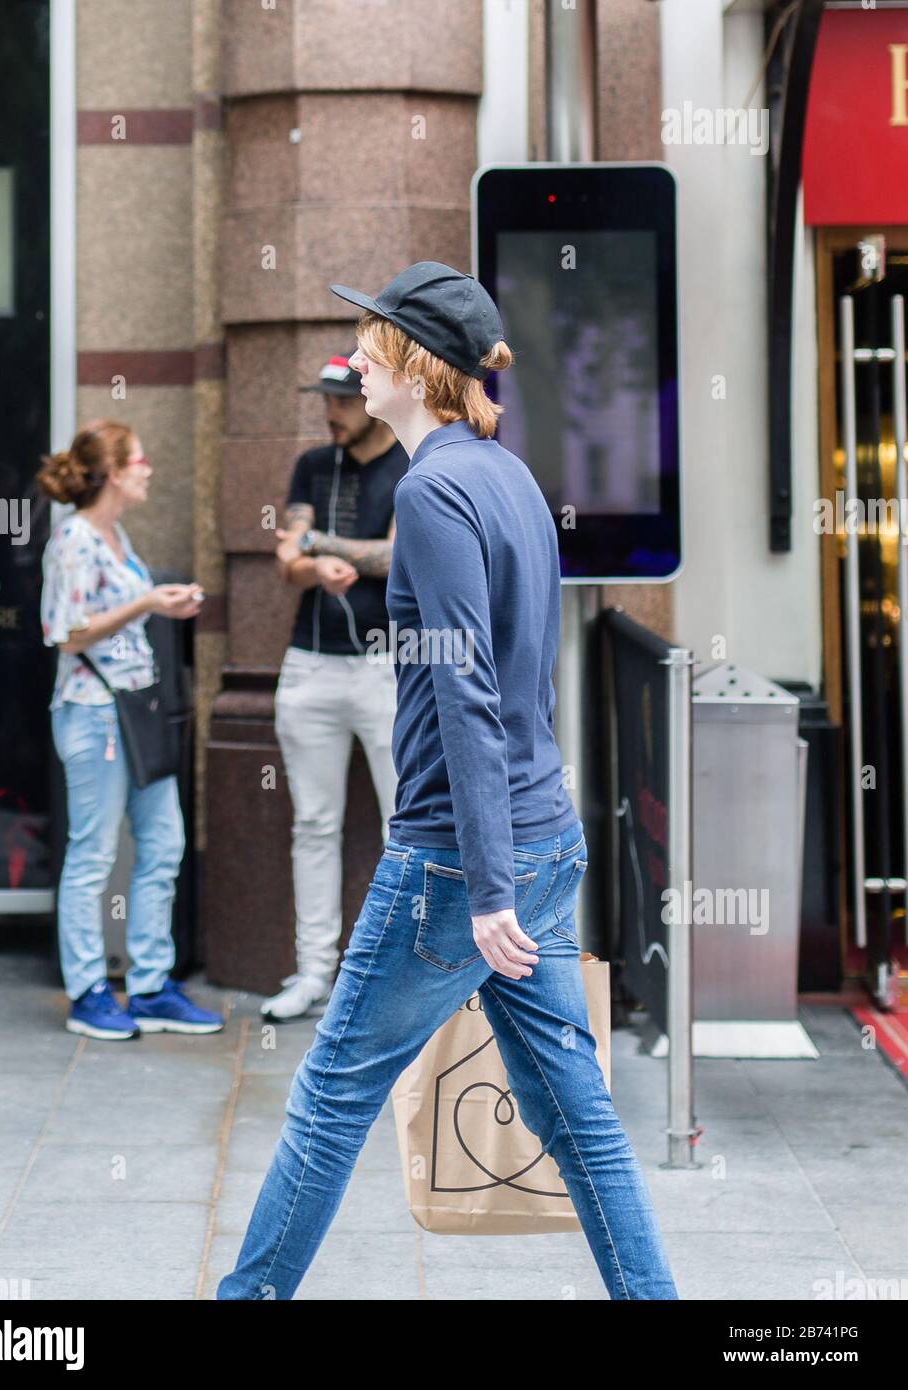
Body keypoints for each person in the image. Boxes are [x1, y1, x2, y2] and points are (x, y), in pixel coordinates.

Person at [217, 263, 678, 1301]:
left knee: (331, 1099)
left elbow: (466, 691)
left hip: (455, 860)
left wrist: (486, 887)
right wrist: (518, 856)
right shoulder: (507, 474)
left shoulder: (430, 490)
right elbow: (526, 671)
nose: (355, 354)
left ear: (416, 365)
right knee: (578, 1117)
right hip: (538, 830)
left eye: (372, 337)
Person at [37, 420, 224, 1041]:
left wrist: (162, 601)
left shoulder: (116, 537)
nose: (148, 469)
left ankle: (148, 985)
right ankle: (89, 991)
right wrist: (147, 603)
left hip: (133, 712)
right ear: (114, 472)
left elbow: (115, 617)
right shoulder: (75, 540)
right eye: (139, 460)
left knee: (164, 843)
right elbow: (65, 633)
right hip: (93, 712)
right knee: (92, 853)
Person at [264, 352, 408, 1021]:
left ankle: (396, 979)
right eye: (326, 401)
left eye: (344, 401)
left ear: (371, 401)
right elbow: (285, 560)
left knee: (401, 825)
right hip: (310, 663)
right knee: (313, 824)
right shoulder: (311, 465)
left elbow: (397, 555)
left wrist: (321, 544)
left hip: (384, 665)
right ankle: (312, 971)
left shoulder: (410, 463)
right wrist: (313, 566)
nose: (332, 413)